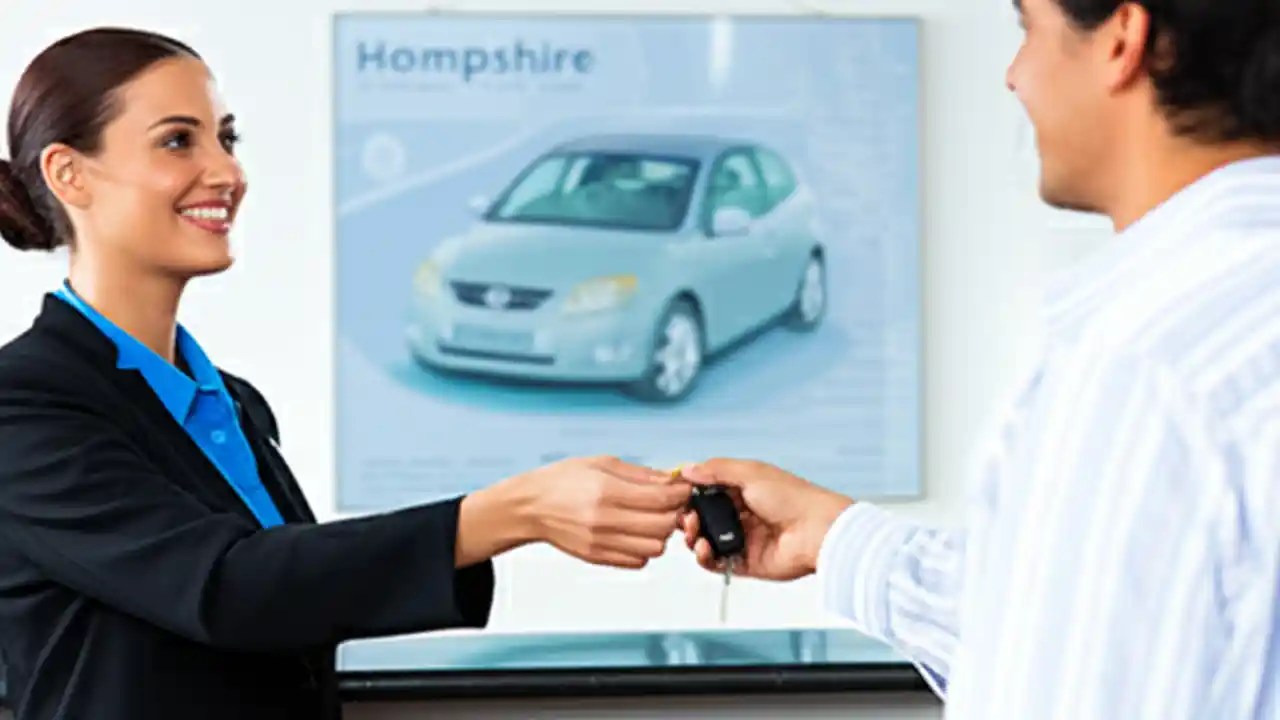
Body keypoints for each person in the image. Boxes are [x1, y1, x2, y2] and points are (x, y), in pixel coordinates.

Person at [0, 27, 691, 720]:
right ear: (70, 174)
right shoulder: (23, 404)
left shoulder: (231, 403)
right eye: (179, 141)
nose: (228, 172)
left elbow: (293, 599)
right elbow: (224, 587)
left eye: (227, 139)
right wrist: (513, 512)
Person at [680, 0, 1279, 717]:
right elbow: (1086, 624)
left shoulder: (1141, 370)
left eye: (1028, 29)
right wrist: (837, 541)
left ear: (1123, 39)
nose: (1014, 74)